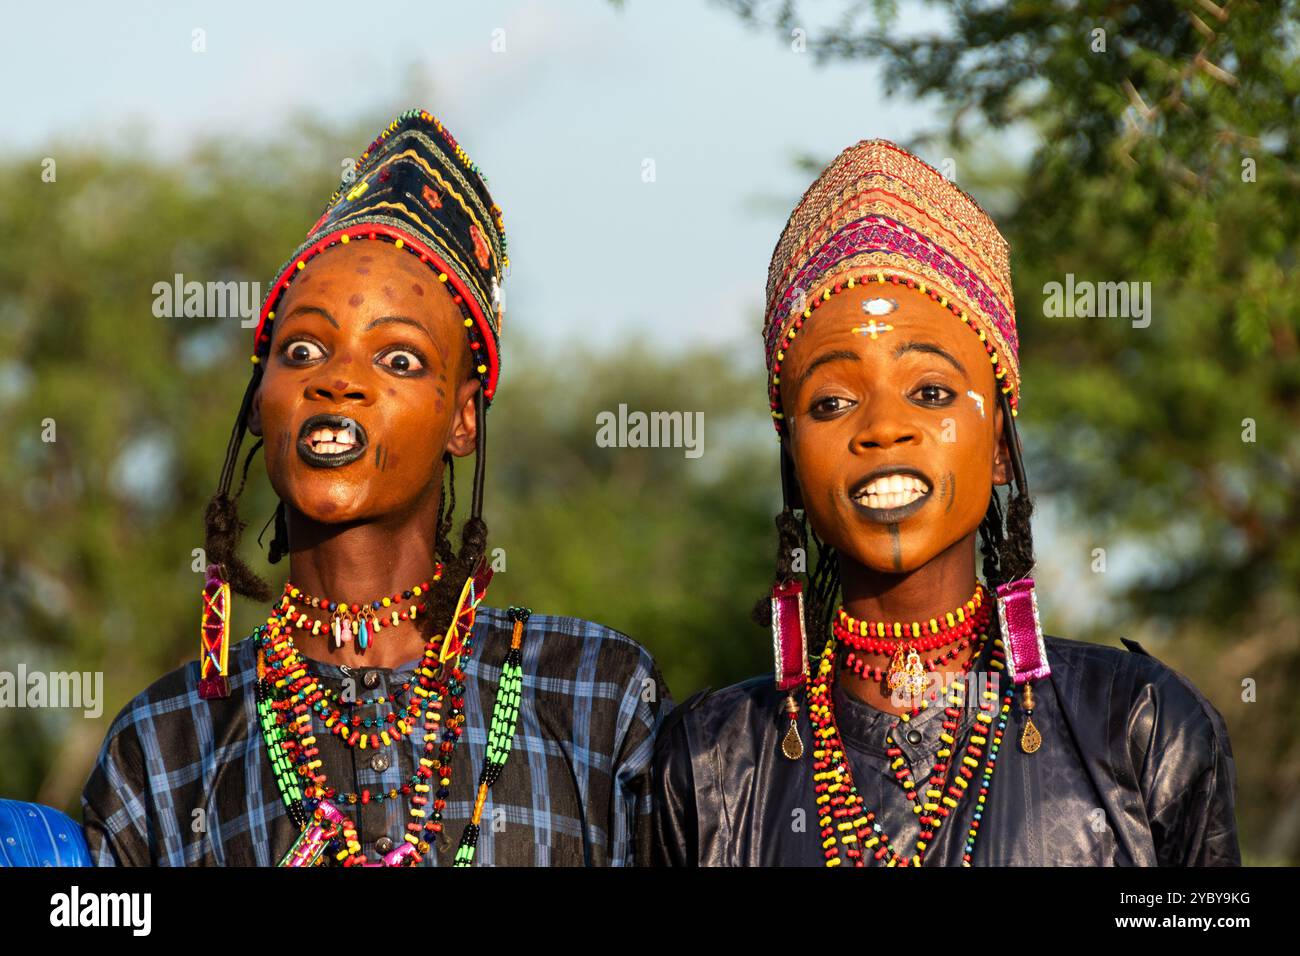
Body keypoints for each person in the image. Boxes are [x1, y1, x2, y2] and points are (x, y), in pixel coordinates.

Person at [81, 109, 669, 867]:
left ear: (463, 419)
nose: (339, 382)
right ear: (262, 401)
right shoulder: (163, 745)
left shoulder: (596, 695)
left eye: (398, 360)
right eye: (303, 349)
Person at [651, 140, 1239, 867]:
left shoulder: (1139, 728)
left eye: (930, 393)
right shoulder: (709, 766)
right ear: (794, 461)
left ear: (999, 443)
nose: (883, 428)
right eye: (832, 402)